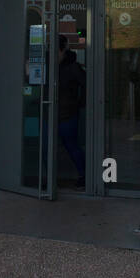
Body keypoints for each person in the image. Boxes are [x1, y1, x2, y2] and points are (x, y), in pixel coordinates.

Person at [56, 35, 87, 189]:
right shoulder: (52, 65)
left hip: (68, 114)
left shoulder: (73, 66)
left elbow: (86, 82)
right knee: (46, 147)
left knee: (71, 145)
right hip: (52, 112)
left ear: (61, 50)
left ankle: (84, 175)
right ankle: (48, 178)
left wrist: (80, 103)